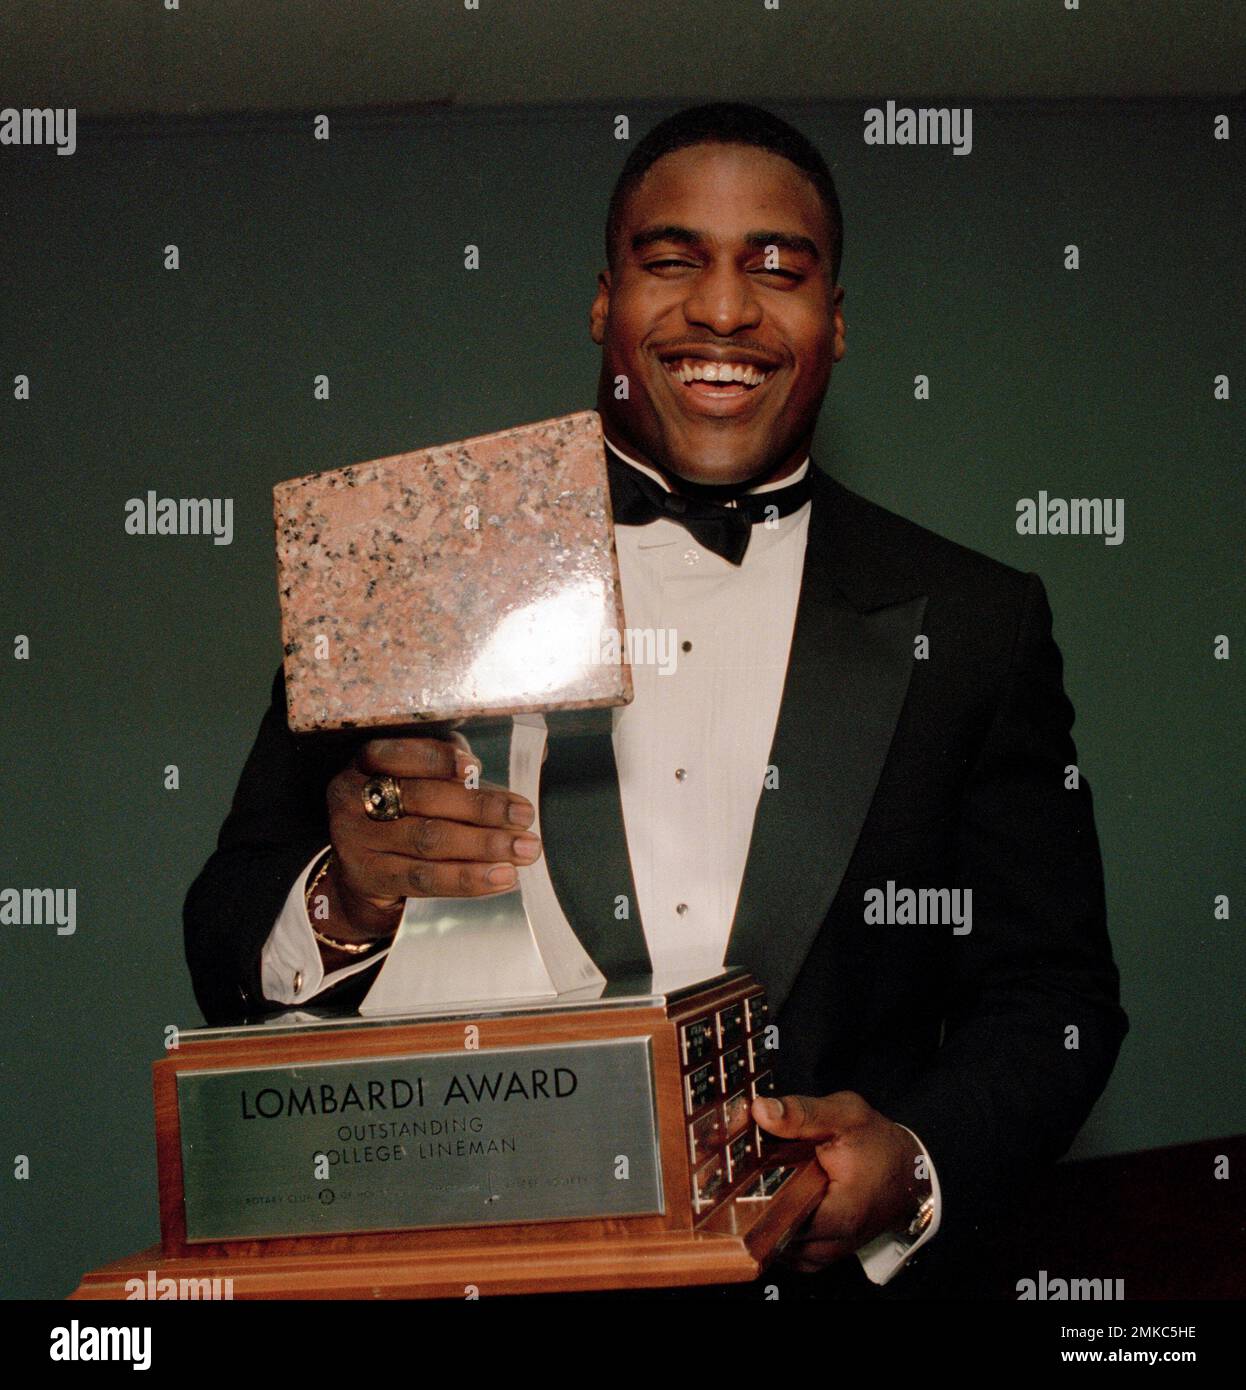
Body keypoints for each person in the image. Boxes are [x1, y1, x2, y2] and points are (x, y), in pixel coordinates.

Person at [184, 102, 1127, 1297]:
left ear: (834, 325)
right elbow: (220, 937)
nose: (724, 309)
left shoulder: (979, 624)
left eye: (775, 270)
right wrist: (348, 897)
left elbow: (1054, 1000)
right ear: (602, 304)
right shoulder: (404, 561)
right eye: (670, 261)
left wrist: (915, 1163)